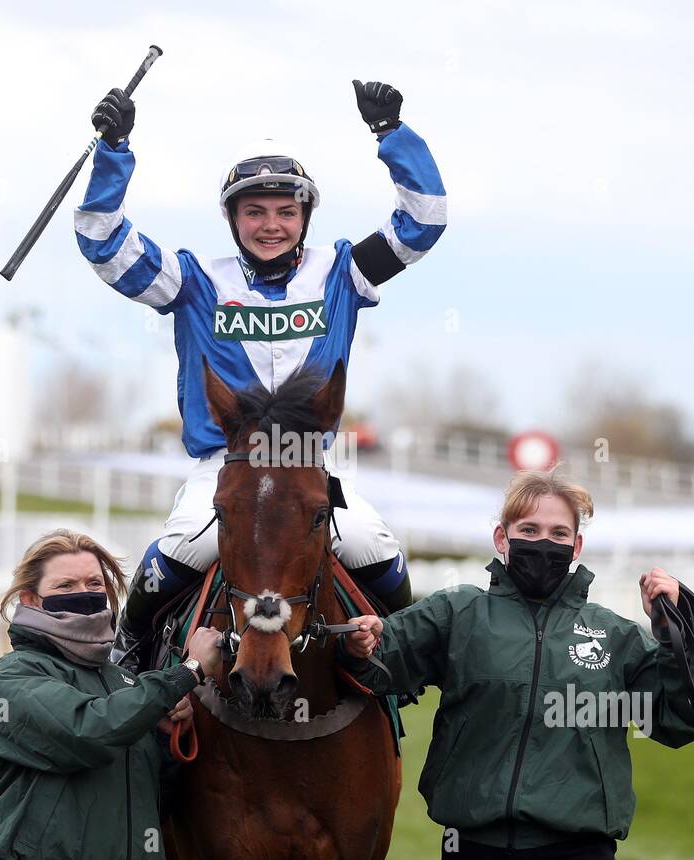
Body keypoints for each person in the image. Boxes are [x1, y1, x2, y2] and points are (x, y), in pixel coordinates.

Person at [75, 79, 447, 666]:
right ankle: (128, 654)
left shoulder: (344, 272)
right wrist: (113, 151)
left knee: (374, 543)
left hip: (306, 464)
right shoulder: (191, 279)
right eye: (255, 212)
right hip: (224, 467)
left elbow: (424, 221)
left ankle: (405, 659)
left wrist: (392, 135)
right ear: (233, 219)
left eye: (284, 211)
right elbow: (103, 244)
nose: (270, 225)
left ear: (303, 217)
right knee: (179, 546)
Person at [339, 470, 694, 860]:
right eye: (529, 530)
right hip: (474, 856)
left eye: (559, 532)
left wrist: (677, 637)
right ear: (502, 538)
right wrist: (361, 643)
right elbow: (381, 660)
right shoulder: (457, 612)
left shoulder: (615, 635)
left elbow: (685, 718)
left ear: (576, 546)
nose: (544, 542)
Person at [0, 528, 223, 860]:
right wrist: (186, 672)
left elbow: (151, 799)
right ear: (30, 600)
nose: (83, 593)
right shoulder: (13, 676)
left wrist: (166, 736)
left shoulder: (124, 683)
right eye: (65, 585)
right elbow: (88, 730)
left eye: (93, 582)